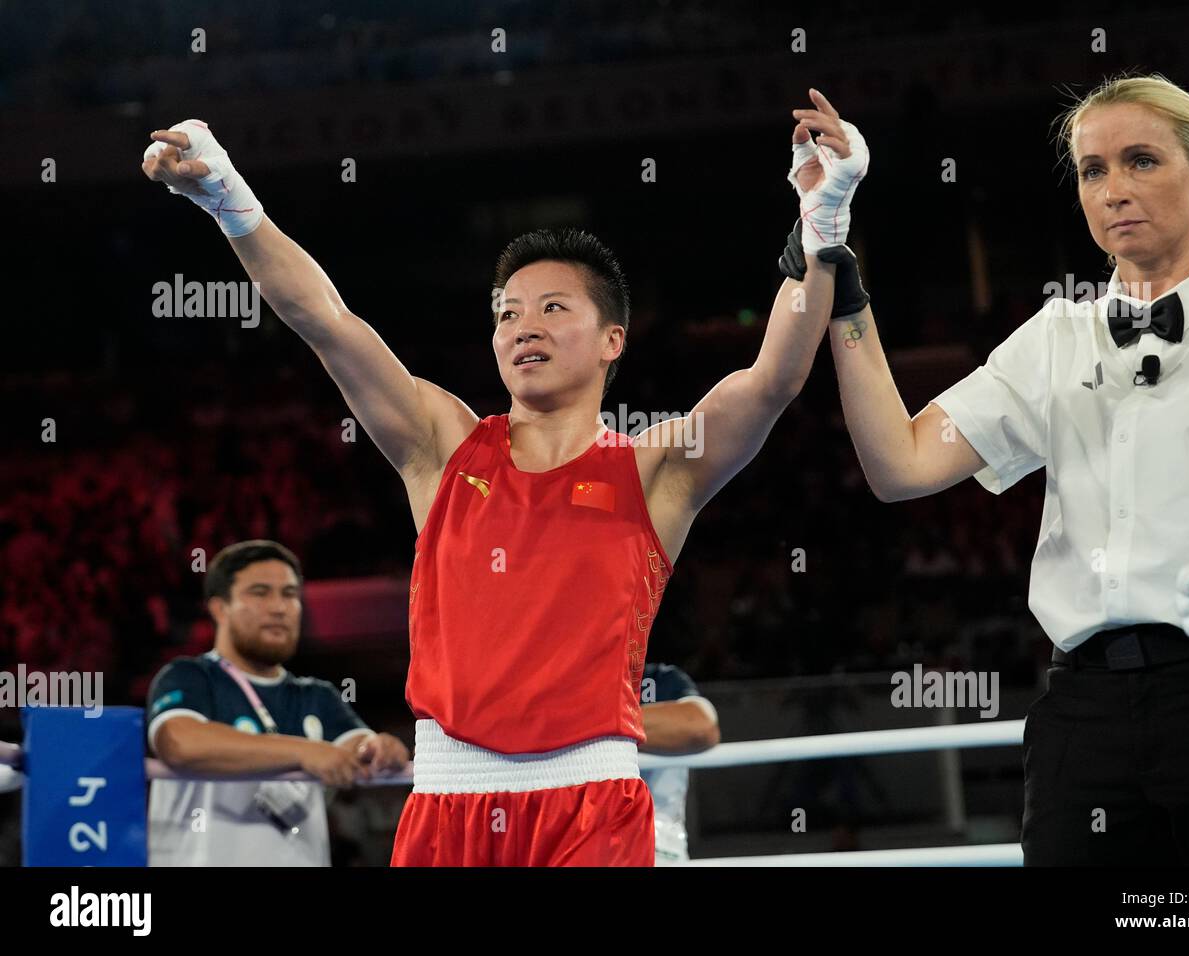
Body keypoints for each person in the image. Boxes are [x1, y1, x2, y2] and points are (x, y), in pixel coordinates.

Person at [140, 91, 869, 865]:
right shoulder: (442, 447)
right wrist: (227, 196)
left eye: (553, 307)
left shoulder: (656, 468)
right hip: (447, 802)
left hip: (592, 806)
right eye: (507, 313)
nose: (524, 325)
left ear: (612, 339)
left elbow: (772, 382)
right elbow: (327, 321)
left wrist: (824, 222)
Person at [803, 72, 1189, 865]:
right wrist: (834, 258)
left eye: (1141, 160)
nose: (1113, 189)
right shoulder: (1054, 336)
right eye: (1092, 170)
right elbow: (899, 463)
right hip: (1086, 713)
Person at [147, 540, 409, 866]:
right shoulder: (189, 677)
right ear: (219, 608)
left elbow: (360, 748)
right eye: (260, 592)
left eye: (289, 594)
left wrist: (382, 750)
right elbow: (179, 743)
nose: (279, 607)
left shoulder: (317, 696)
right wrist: (303, 751)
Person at [638, 662, 720, 865]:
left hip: (659, 849)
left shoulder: (659, 680)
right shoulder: (563, 679)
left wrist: (587, 724)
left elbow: (699, 727)